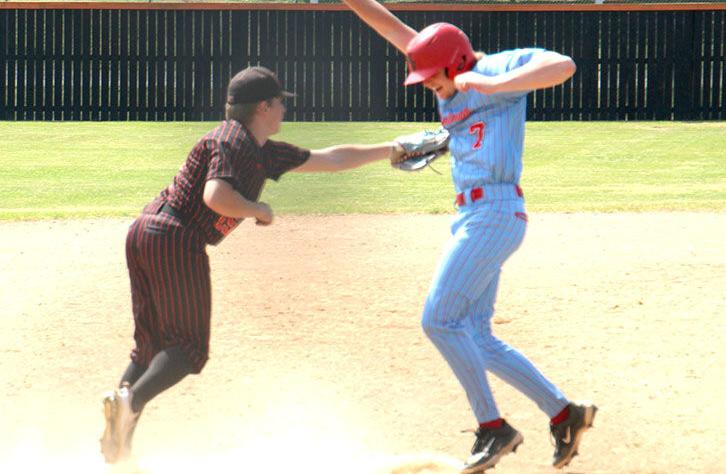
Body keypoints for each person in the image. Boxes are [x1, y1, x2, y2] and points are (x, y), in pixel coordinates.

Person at [100, 65, 412, 464]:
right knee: (188, 349)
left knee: (150, 349)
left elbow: (332, 158)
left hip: (146, 231)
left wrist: (393, 148)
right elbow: (216, 196)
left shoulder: (258, 149)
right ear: (264, 107)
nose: (285, 109)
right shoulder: (234, 140)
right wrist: (257, 209)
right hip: (176, 238)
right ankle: (131, 405)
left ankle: (119, 445)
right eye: (280, 102)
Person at [341, 2, 597, 472]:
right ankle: (565, 414)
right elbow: (393, 28)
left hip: (494, 211)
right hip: (471, 215)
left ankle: (492, 427)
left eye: (432, 77)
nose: (428, 85)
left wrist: (493, 85)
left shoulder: (494, 70)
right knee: (475, 336)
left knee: (439, 320)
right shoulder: (441, 68)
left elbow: (563, 66)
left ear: (457, 63)